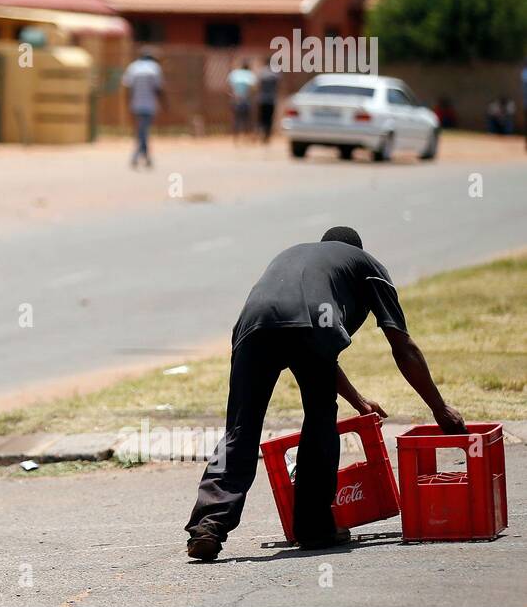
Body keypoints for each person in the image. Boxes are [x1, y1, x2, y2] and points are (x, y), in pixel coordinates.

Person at [185, 226, 466, 562]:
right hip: (309, 324)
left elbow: (321, 355)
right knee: (320, 422)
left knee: (240, 431)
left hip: (253, 323)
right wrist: (439, 408)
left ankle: (209, 526)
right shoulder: (367, 265)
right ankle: (314, 529)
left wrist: (358, 402)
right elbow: (401, 345)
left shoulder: (302, 257)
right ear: (357, 250)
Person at [122, 47, 165, 169]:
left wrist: (128, 103)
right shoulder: (154, 68)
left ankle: (145, 157)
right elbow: (158, 89)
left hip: (136, 103)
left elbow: (128, 88)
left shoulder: (133, 67)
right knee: (143, 131)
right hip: (149, 104)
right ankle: (138, 157)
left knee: (142, 130)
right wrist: (163, 104)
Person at [227, 59, 256, 143]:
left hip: (235, 99)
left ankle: (236, 138)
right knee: (247, 119)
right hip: (246, 100)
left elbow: (229, 86)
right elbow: (253, 88)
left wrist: (232, 95)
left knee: (236, 119)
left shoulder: (234, 74)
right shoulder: (250, 75)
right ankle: (247, 137)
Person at [254, 57, 281, 144]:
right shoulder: (275, 73)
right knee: (269, 118)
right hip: (271, 99)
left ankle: (260, 134)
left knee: (261, 118)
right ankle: (267, 136)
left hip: (262, 99)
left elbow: (258, 85)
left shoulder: (262, 72)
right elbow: (278, 85)